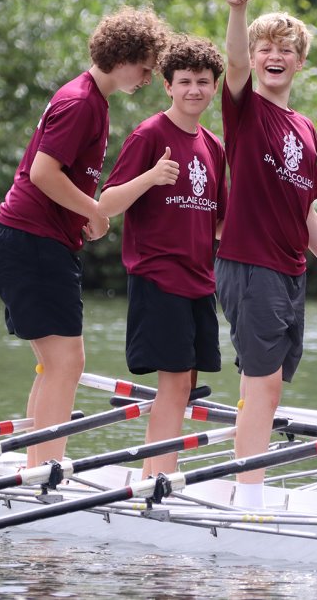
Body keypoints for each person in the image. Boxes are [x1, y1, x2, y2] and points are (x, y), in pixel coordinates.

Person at [0, 7, 171, 468]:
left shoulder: (92, 99)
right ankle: (44, 471)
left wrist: (81, 213)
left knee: (57, 364)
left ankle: (35, 467)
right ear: (123, 57)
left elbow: (57, 178)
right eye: (145, 67)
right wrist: (93, 210)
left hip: (35, 240)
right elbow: (42, 173)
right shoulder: (81, 102)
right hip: (31, 241)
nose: (148, 78)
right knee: (67, 362)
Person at [219, 0, 317, 507]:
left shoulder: (305, 128)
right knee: (262, 384)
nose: (274, 56)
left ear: (299, 61)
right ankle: (248, 499)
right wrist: (239, 10)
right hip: (249, 262)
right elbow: (235, 61)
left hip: (289, 271)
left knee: (267, 384)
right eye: (266, 48)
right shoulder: (246, 109)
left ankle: (246, 484)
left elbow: (306, 212)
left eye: (285, 49)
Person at [97, 35, 228, 478]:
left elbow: (218, 223)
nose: (195, 89)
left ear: (214, 87)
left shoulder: (214, 147)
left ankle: (157, 474)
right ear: (168, 86)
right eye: (185, 81)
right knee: (173, 385)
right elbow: (106, 203)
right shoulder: (150, 135)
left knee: (185, 386)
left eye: (203, 82)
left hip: (199, 282)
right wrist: (151, 178)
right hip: (158, 277)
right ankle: (158, 481)